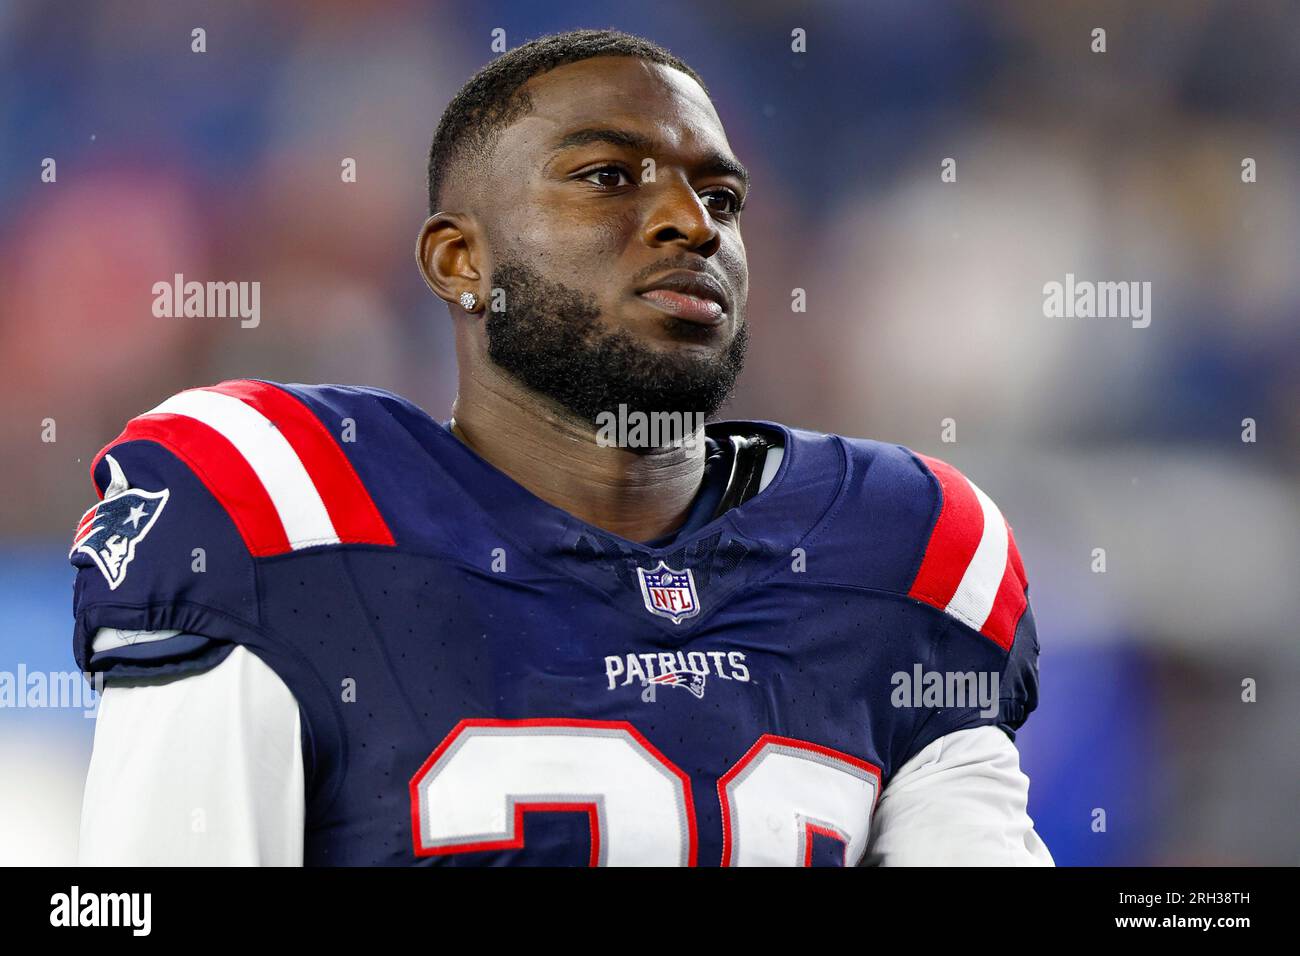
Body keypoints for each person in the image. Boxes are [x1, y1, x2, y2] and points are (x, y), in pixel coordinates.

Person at [71, 29, 1051, 866]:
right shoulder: (274, 506)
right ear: (461, 260)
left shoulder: (900, 552)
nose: (689, 223)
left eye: (721, 196)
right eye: (605, 177)